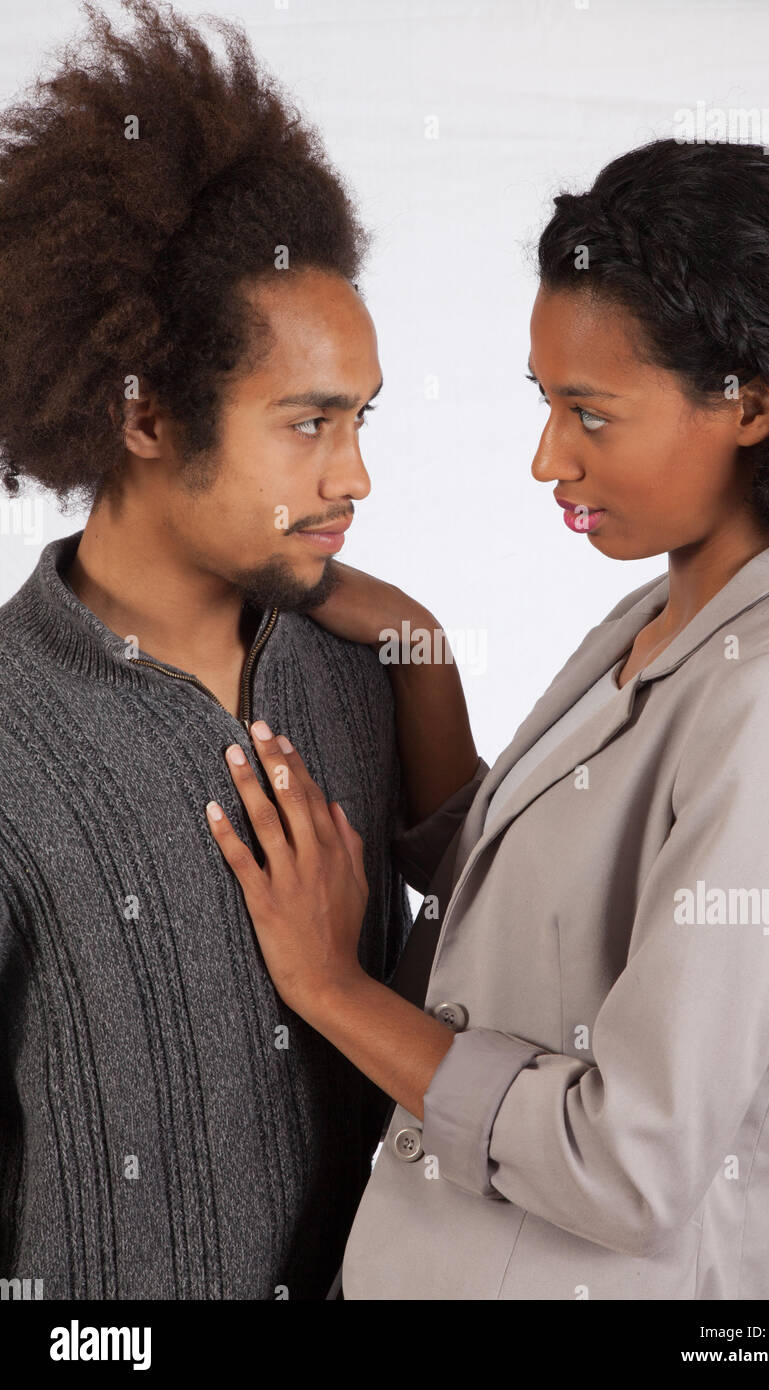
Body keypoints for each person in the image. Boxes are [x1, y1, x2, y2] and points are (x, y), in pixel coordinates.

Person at [206, 138, 769, 1299]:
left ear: (750, 404)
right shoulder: (655, 613)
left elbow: (629, 1167)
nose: (544, 458)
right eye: (542, 401)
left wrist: (329, 985)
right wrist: (420, 651)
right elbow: (510, 894)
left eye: (588, 413)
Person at [0, 0, 472, 1300]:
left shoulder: (361, 679)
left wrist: (423, 661)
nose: (356, 472)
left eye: (360, 417)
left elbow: (502, 1016)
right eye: (309, 423)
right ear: (145, 412)